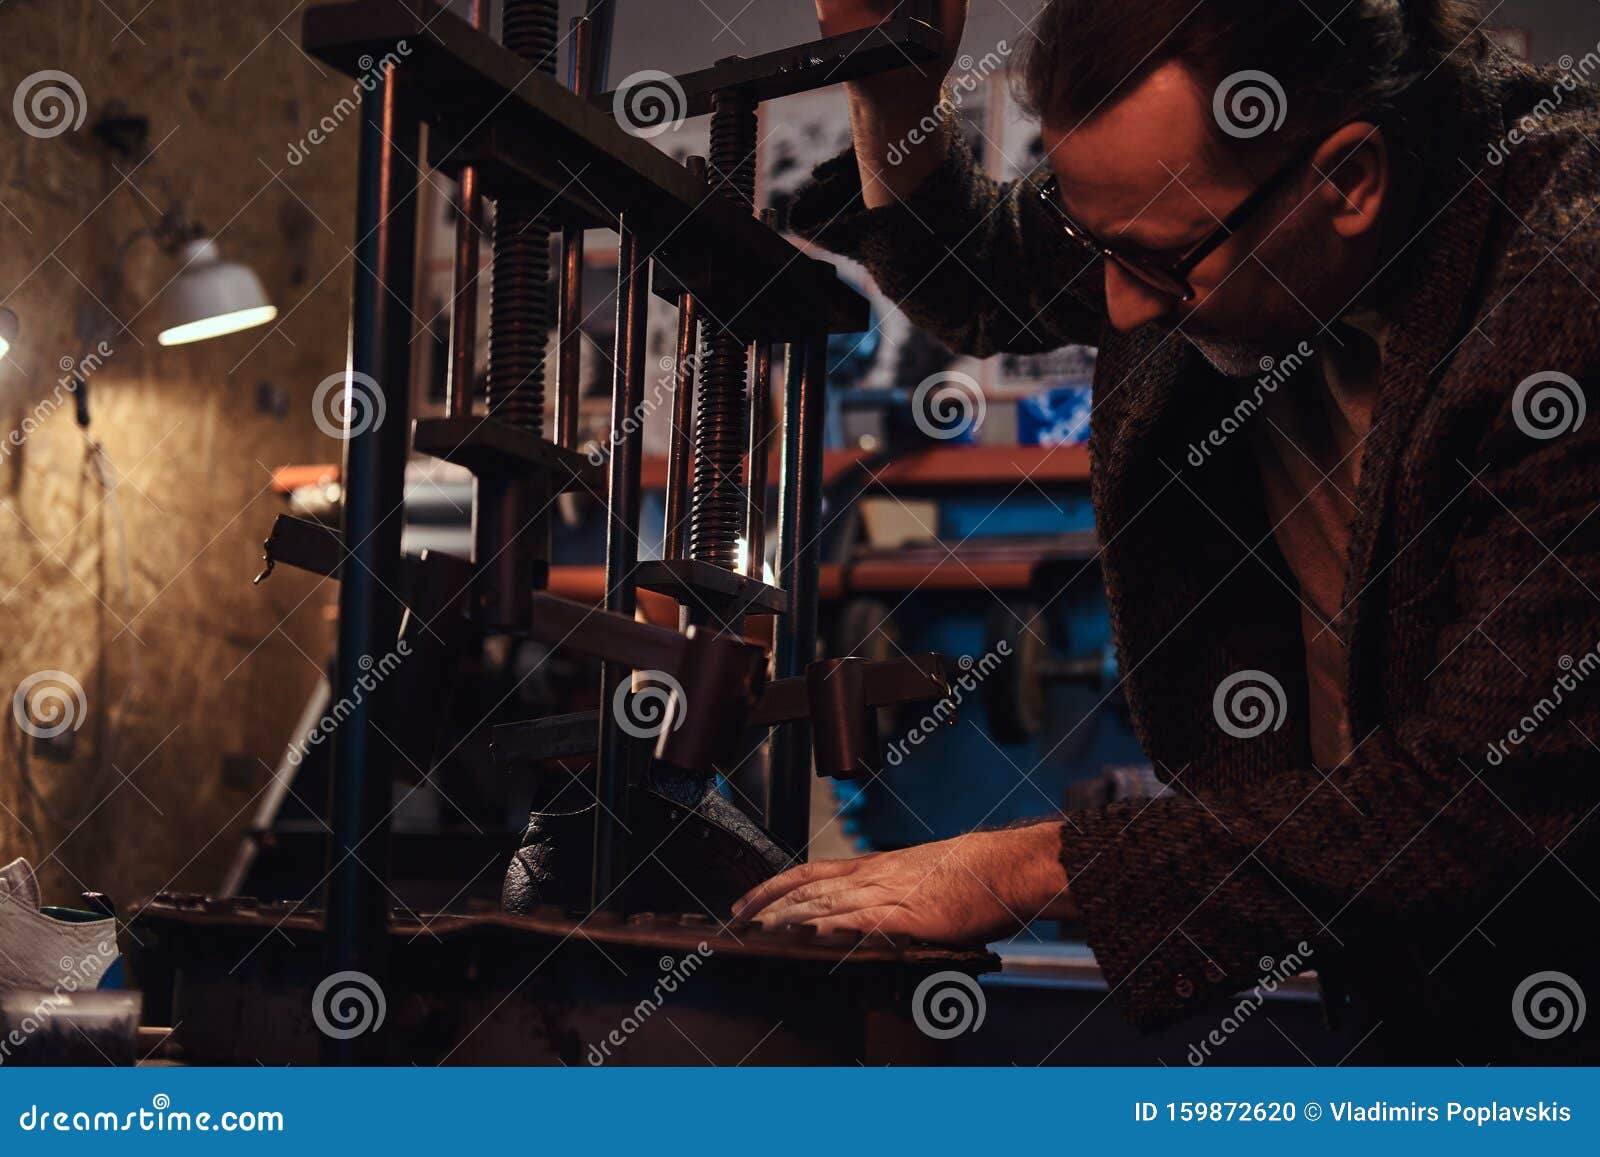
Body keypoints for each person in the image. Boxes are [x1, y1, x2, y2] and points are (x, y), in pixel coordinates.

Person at [735, 0, 1600, 1062]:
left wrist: (1028, 868)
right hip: (1399, 965)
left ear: (1348, 182)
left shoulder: (1566, 290)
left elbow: (1491, 792)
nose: (1120, 306)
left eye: (1157, 260)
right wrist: (895, 81)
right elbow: (985, 270)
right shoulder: (1219, 202)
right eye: (1092, 241)